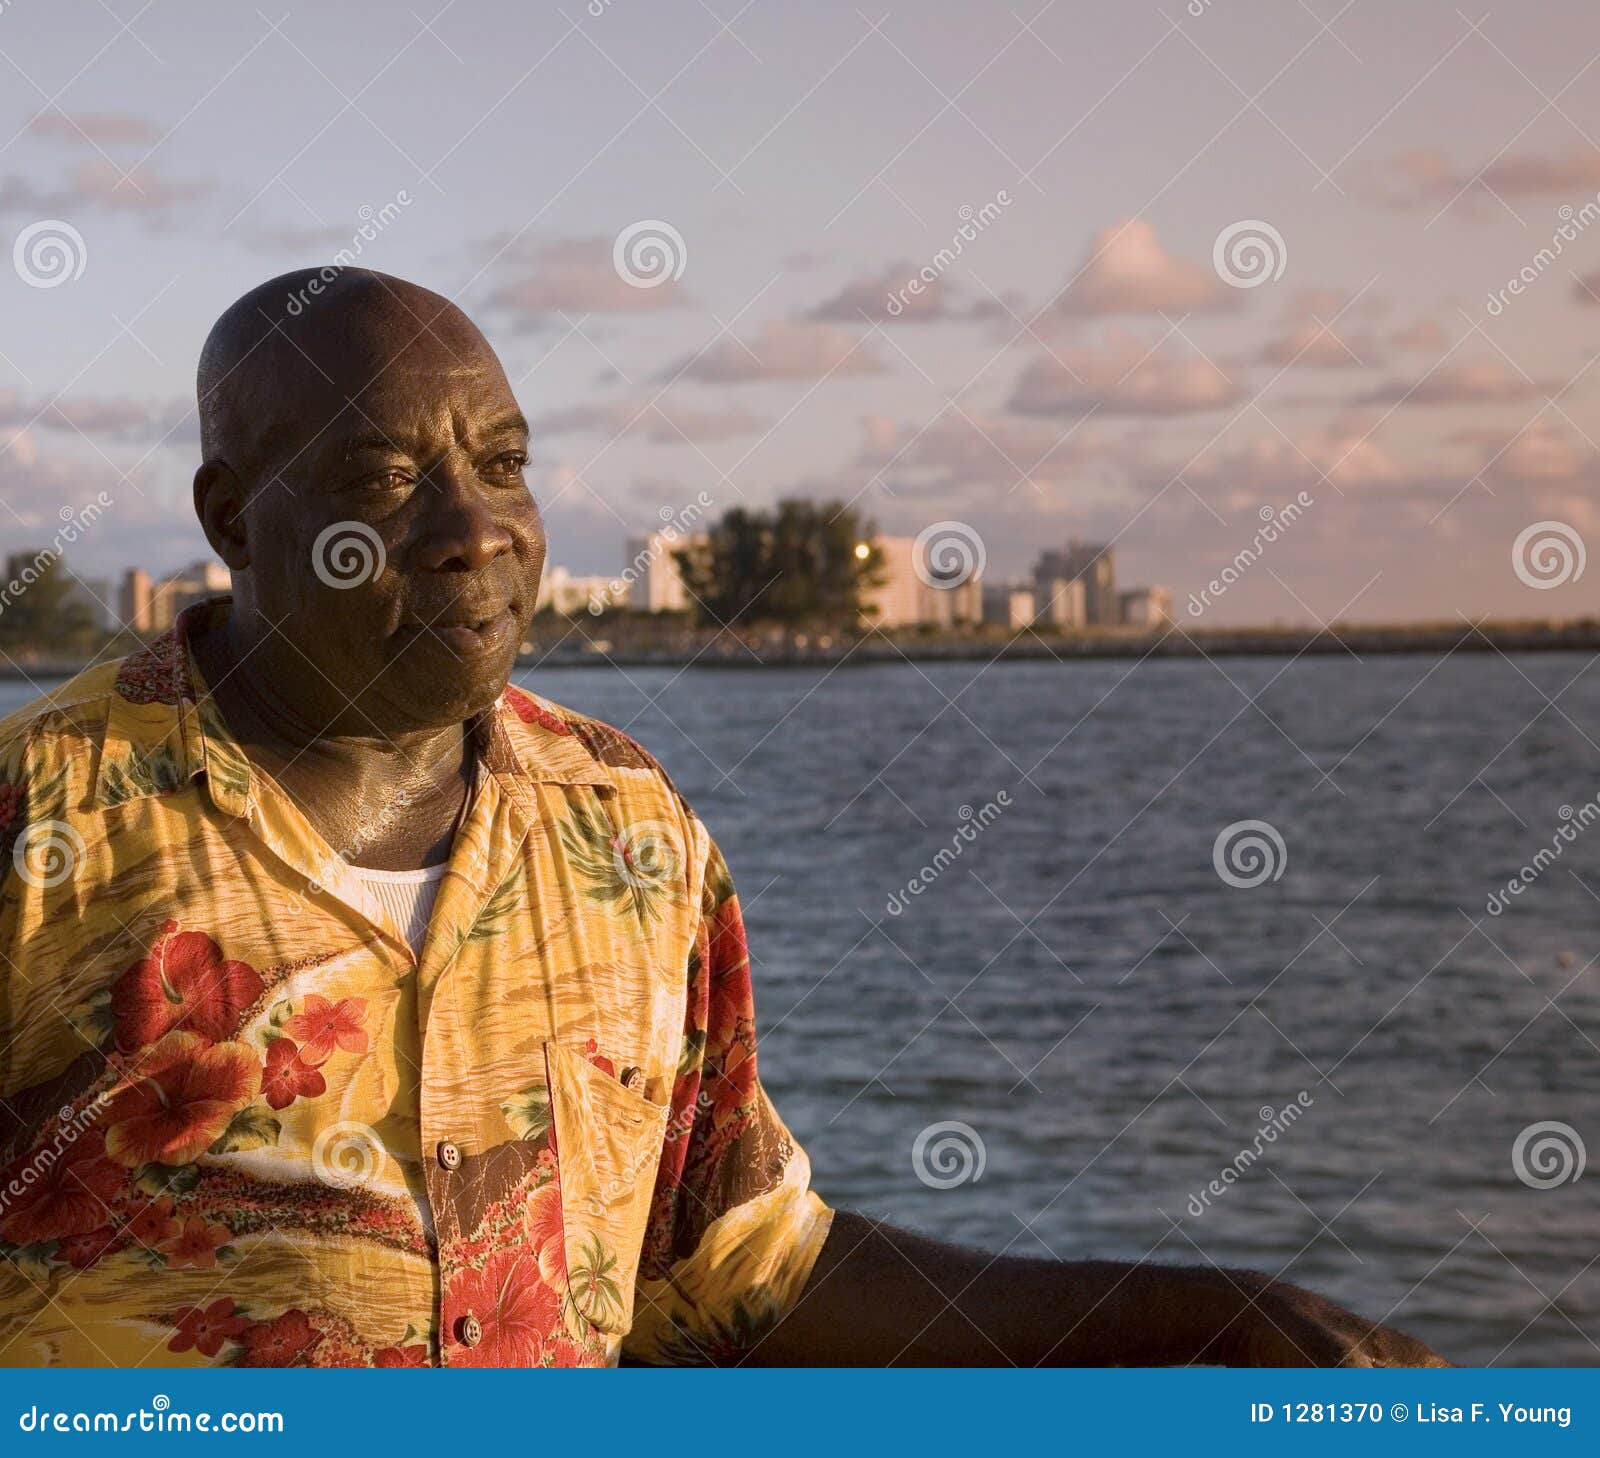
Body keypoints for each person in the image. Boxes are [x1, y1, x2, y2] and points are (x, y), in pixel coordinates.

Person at [0, 270, 1447, 1368]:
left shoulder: (624, 832)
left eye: (501, 464)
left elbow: (738, 1268)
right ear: (233, 517)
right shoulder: (38, 818)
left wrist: (1194, 1318)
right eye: (386, 482)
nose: (475, 525)